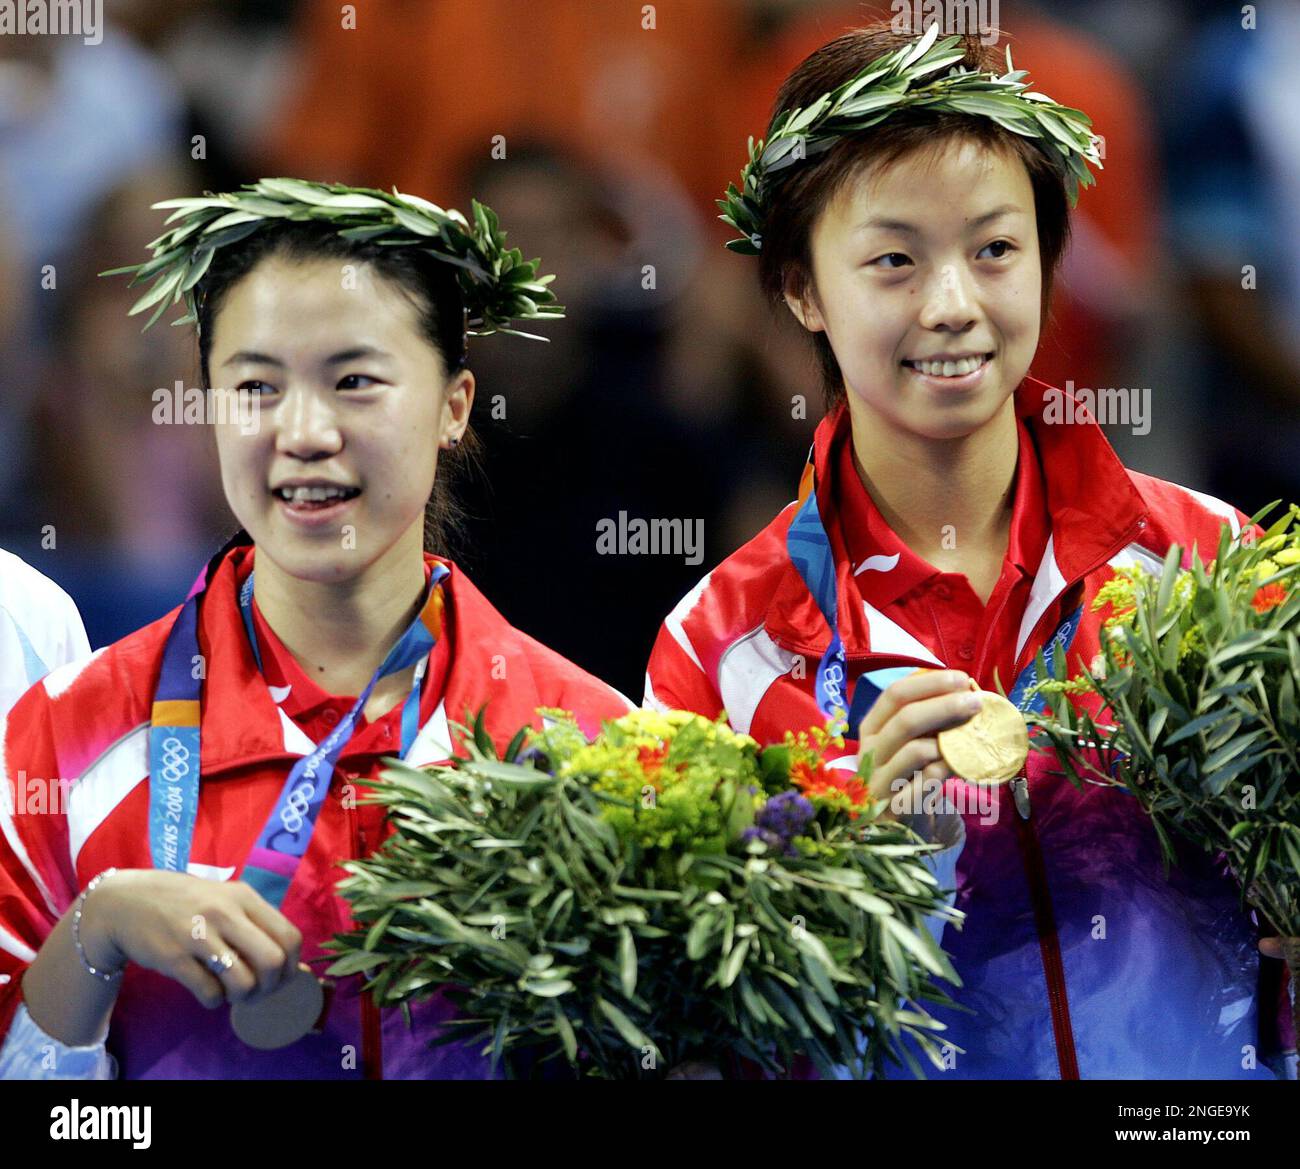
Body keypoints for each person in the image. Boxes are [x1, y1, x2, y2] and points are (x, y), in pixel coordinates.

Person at [645, 24, 1295, 1079]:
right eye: (893, 259)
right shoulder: (724, 648)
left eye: (994, 249)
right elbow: (707, 1037)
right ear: (803, 289)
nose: (952, 305)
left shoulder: (1212, 565)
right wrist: (872, 865)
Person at [0, 179, 630, 1080]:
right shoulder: (67, 736)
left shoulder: (589, 742)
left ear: (455, 405)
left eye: (355, 381)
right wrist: (93, 933)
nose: (302, 431)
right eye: (255, 385)